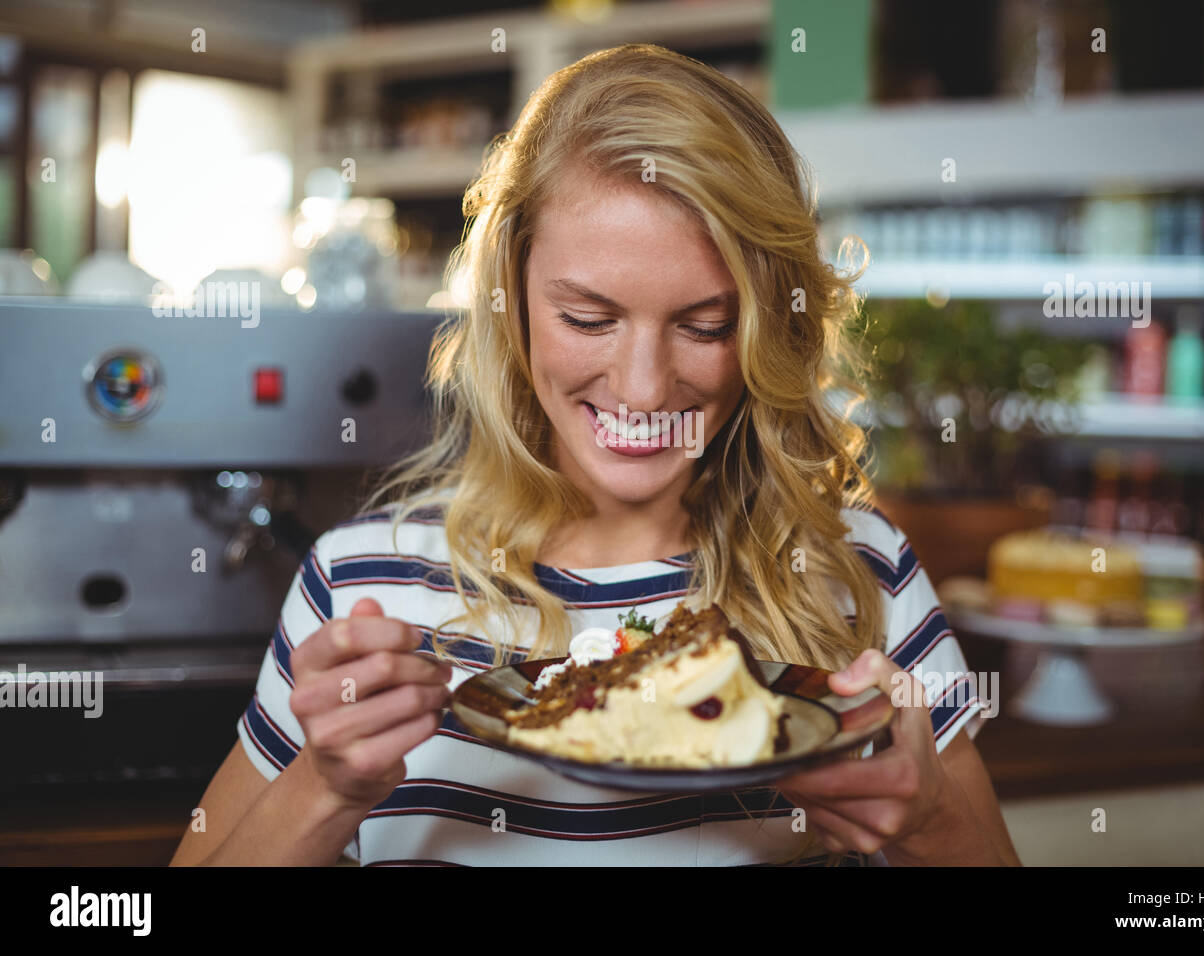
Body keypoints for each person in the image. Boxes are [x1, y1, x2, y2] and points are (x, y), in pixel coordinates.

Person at [171, 43, 1018, 867]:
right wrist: (325, 786)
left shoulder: (861, 570)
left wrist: (928, 822)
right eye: (589, 319)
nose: (645, 390)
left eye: (705, 325)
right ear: (512, 304)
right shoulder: (361, 586)